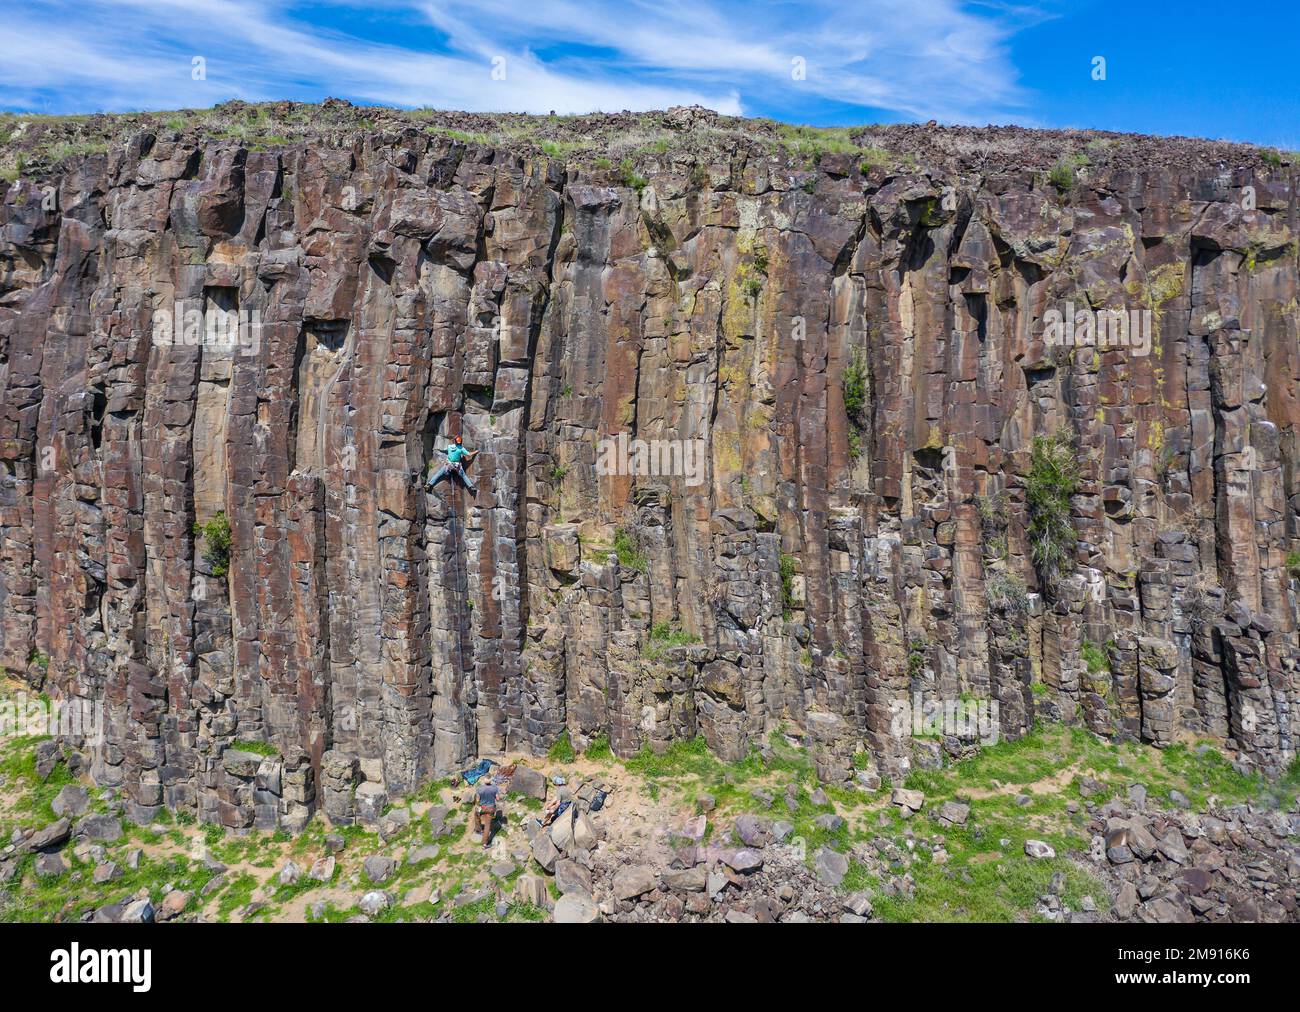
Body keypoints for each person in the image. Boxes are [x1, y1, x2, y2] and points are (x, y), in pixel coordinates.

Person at [471, 779, 499, 848]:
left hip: (482, 807)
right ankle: (484, 844)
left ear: (484, 780)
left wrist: (478, 805)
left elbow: (477, 799)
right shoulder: (495, 788)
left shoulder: (479, 788)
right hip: (490, 808)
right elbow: (498, 798)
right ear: (490, 780)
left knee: (476, 815)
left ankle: (478, 830)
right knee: (487, 825)